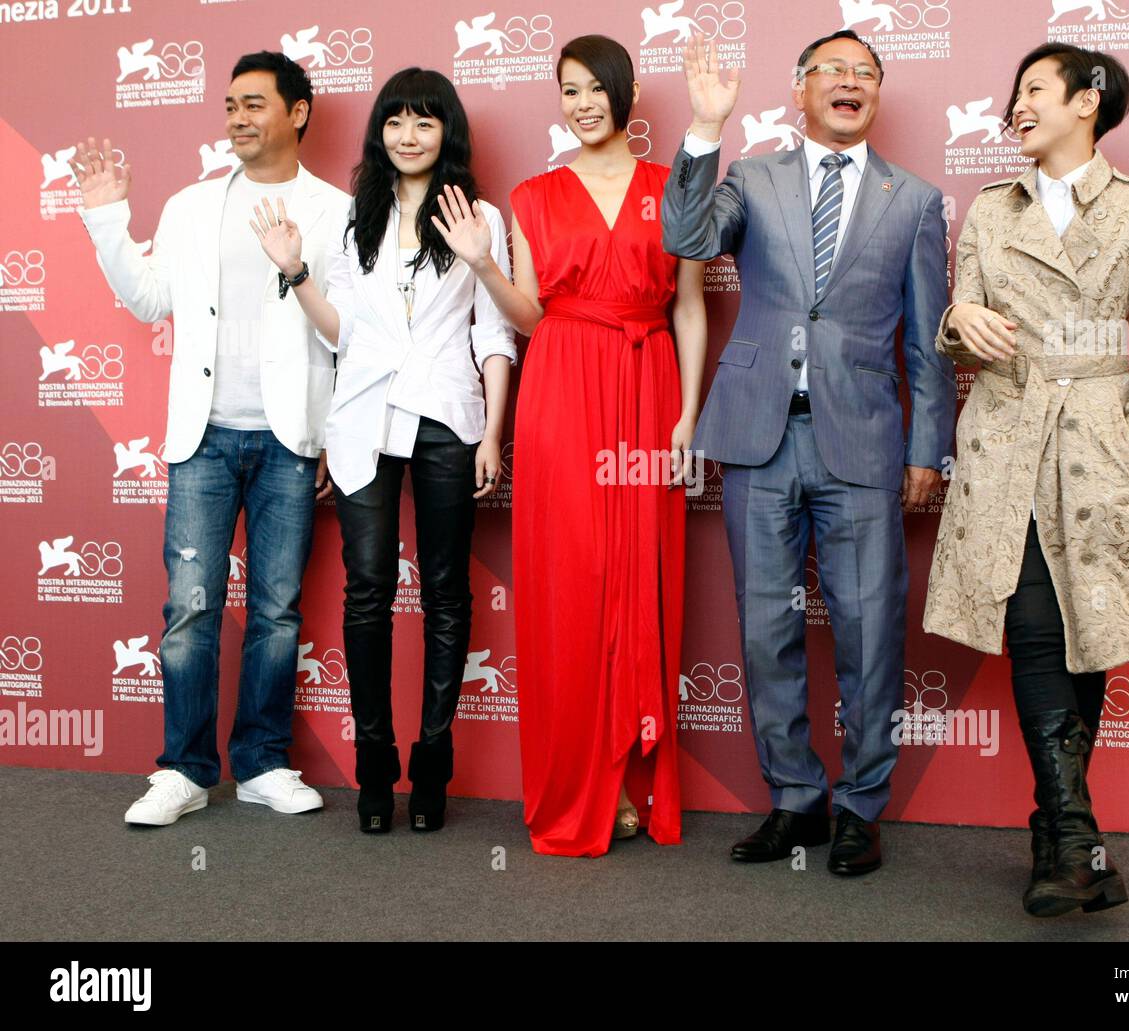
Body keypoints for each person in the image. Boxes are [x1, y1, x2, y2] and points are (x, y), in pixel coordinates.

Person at [662, 30, 955, 876]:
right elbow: (685, 237)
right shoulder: (751, 174)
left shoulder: (916, 200)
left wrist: (929, 447)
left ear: (877, 94)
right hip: (758, 436)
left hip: (863, 442)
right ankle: (794, 799)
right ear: (800, 89)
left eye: (866, 73)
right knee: (766, 626)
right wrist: (704, 131)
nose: (851, 82)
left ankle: (861, 805)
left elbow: (927, 347)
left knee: (871, 630)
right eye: (834, 70)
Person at [923, 42, 1129, 916]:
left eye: (1035, 90)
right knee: (1036, 624)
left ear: (1089, 100)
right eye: (1015, 93)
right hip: (1008, 440)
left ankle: (1063, 838)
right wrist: (958, 319)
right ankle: (1076, 837)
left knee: (1088, 628)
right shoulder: (993, 213)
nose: (1017, 107)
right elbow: (959, 322)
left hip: (1096, 444)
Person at [434, 34, 707, 856]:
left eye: (596, 88)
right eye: (569, 90)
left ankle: (632, 781)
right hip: (562, 392)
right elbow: (530, 316)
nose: (582, 103)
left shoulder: (672, 190)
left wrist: (689, 414)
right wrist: (484, 265)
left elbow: (689, 306)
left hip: (649, 380)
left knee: (642, 581)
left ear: (625, 94)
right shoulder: (532, 195)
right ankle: (580, 783)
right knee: (572, 585)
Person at [71, 52, 351, 825]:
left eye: (255, 103)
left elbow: (344, 332)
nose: (236, 117)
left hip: (290, 443)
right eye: (229, 104)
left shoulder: (335, 210)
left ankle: (262, 761)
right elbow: (149, 299)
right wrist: (107, 223)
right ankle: (184, 769)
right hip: (202, 440)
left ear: (298, 113)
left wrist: (331, 435)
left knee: (277, 611)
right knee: (190, 607)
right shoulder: (193, 207)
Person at [251, 67, 515, 834]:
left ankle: (433, 759)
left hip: (447, 415)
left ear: (447, 133)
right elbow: (344, 336)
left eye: (425, 122)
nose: (408, 135)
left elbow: (494, 334)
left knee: (444, 593)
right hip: (364, 418)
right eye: (396, 121)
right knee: (366, 590)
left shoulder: (480, 216)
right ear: (380, 132)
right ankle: (374, 762)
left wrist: (492, 431)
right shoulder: (348, 219)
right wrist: (296, 272)